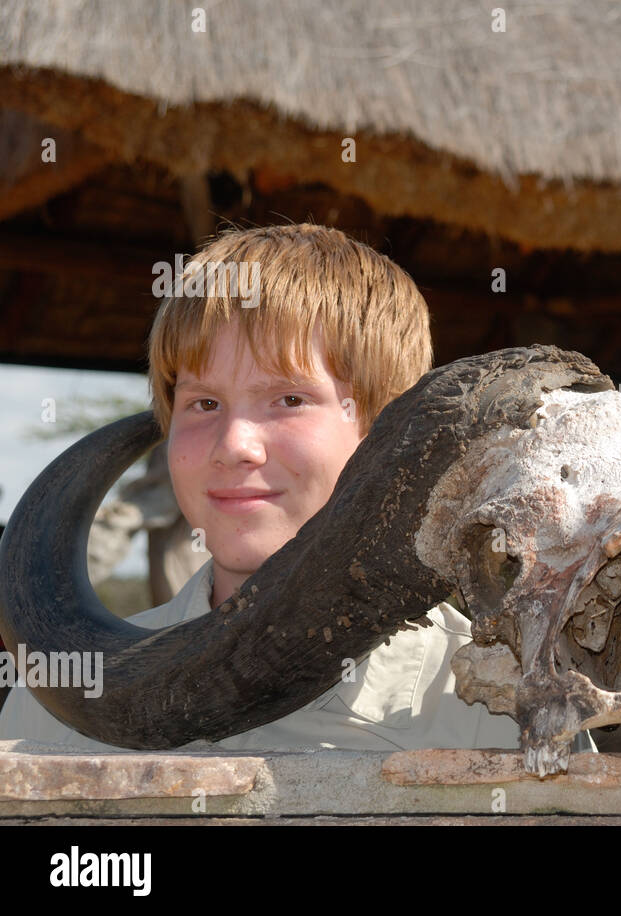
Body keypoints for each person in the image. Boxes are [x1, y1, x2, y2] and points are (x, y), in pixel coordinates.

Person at [0, 223, 542, 753]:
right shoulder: (61, 689)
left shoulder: (496, 705)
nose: (234, 444)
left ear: (387, 432)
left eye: (289, 399)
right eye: (203, 403)